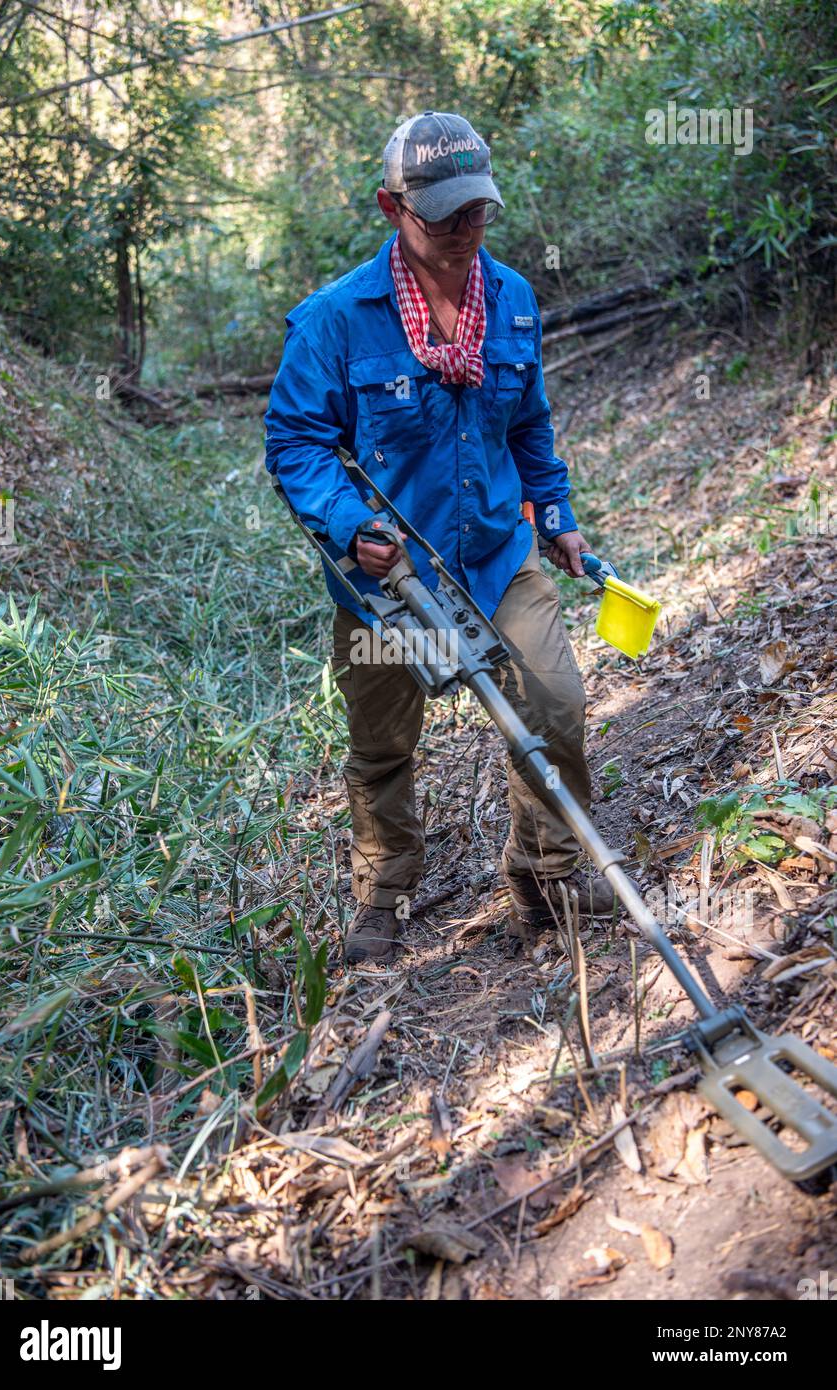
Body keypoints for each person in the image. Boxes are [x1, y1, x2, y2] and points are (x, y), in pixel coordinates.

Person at [264, 110, 615, 964]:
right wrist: (350, 529)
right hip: (388, 586)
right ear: (392, 208)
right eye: (443, 215)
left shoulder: (513, 301)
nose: (465, 232)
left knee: (554, 708)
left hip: (498, 553)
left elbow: (529, 424)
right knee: (383, 742)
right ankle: (383, 893)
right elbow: (295, 443)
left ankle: (546, 872)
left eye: (478, 212)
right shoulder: (335, 320)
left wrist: (557, 517)